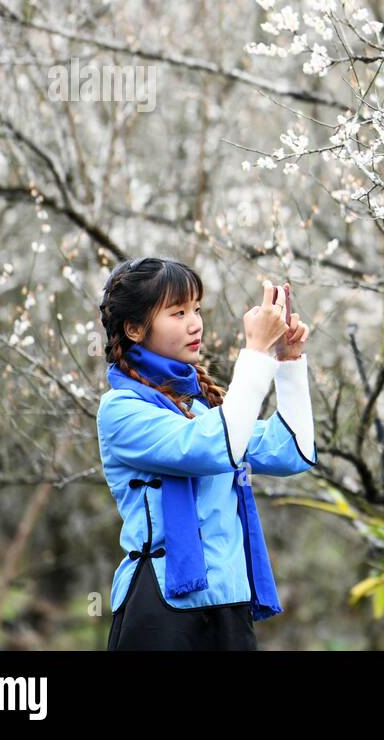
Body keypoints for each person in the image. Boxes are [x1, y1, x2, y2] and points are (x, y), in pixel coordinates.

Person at [96, 256, 317, 650]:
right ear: (133, 328)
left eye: (196, 309)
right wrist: (254, 352)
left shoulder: (203, 410)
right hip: (162, 609)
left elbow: (292, 452)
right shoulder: (121, 410)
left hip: (229, 605)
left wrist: (287, 360)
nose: (195, 323)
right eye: (177, 312)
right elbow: (211, 448)